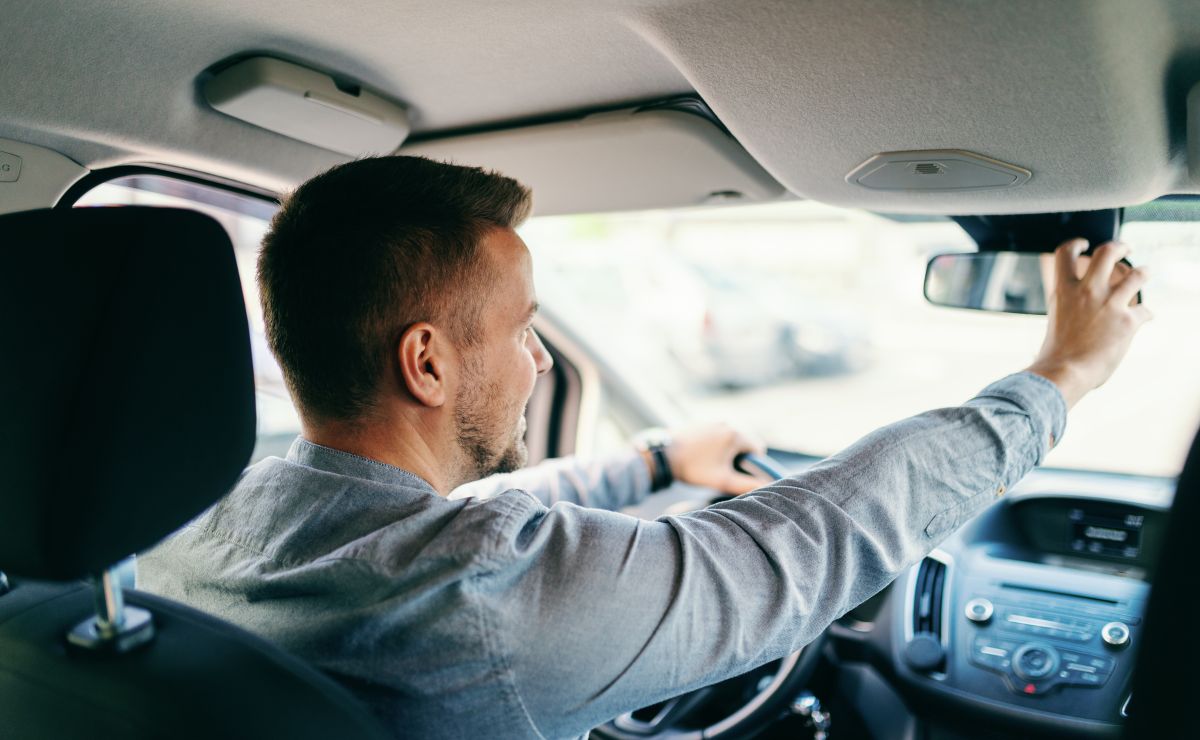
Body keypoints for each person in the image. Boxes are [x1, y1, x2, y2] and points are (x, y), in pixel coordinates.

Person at [140, 156, 1151, 739]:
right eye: (524, 329)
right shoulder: (481, 591)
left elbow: (465, 522)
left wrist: (659, 459)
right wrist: (1060, 375)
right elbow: (801, 544)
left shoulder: (193, 523)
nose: (539, 360)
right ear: (429, 363)